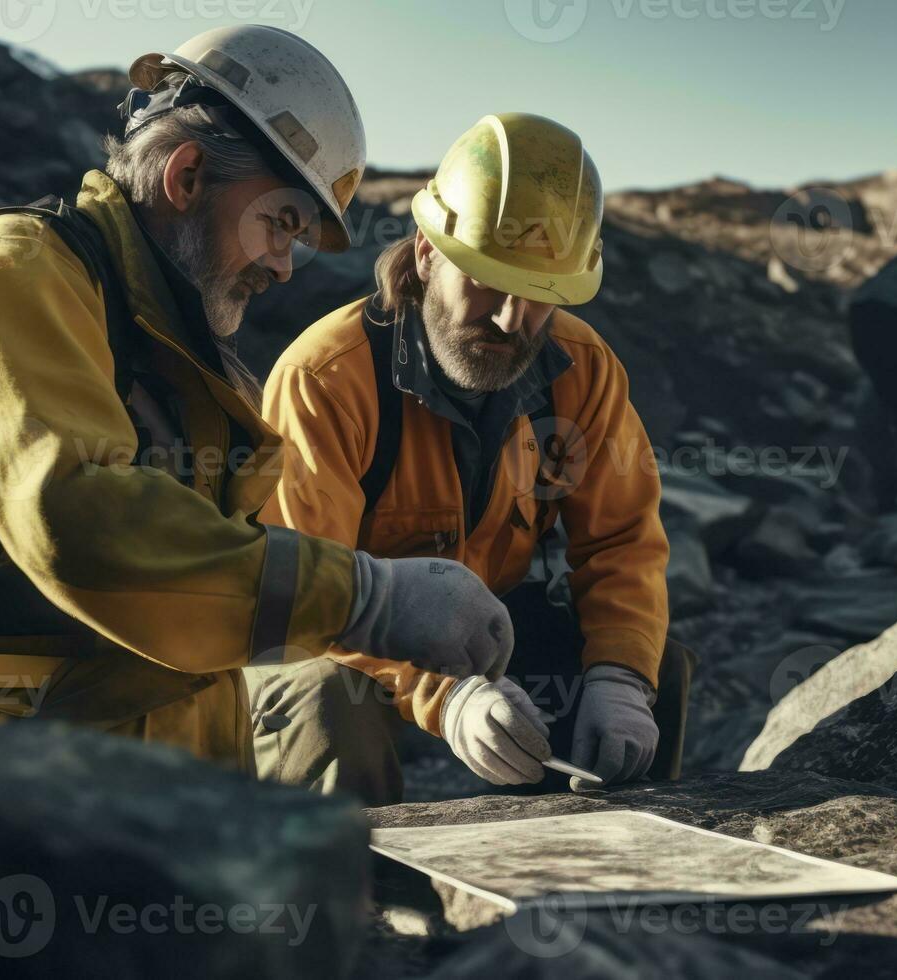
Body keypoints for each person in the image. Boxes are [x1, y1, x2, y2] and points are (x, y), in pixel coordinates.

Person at [0, 27, 513, 771]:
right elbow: (75, 516)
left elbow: (210, 597)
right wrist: (365, 598)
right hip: (17, 782)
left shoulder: (175, 353)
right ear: (188, 176)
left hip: (155, 783)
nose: (285, 267)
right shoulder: (16, 270)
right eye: (283, 223)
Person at [250, 113, 692, 803]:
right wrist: (449, 696)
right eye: (489, 281)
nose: (515, 320)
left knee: (644, 660)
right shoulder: (326, 381)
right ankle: (344, 894)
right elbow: (303, 594)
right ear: (427, 253)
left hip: (488, 625)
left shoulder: (585, 370)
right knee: (319, 695)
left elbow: (622, 542)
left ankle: (602, 887)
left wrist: (621, 678)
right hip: (346, 632)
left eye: (542, 296)